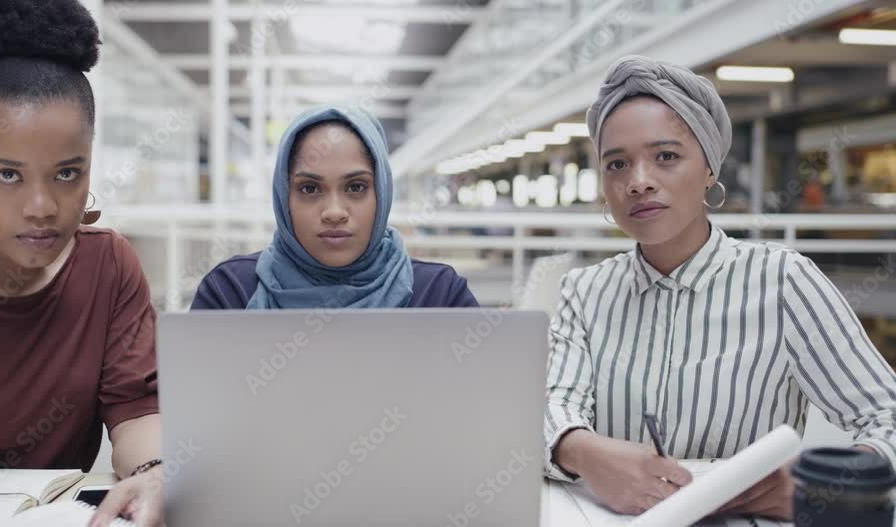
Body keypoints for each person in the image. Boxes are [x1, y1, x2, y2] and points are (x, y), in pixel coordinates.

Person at [545, 55, 896, 521]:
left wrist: (819, 484)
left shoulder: (784, 283)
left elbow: (885, 415)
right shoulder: (584, 292)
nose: (639, 182)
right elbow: (553, 404)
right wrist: (582, 451)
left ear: (710, 168)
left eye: (666, 156)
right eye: (617, 164)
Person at [0, 1, 163, 525]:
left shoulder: (108, 266)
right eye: (8, 175)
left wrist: (156, 471)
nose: (42, 206)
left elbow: (137, 410)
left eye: (66, 173)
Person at [192, 106, 479, 310]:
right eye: (310, 189)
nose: (334, 212)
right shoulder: (230, 293)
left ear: (382, 193)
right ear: (283, 197)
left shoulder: (439, 295)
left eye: (356, 187)